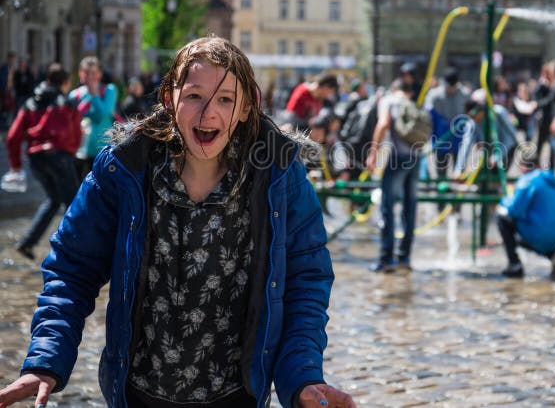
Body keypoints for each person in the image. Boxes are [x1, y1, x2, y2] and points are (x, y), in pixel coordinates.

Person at [0, 37, 355, 408]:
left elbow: (305, 281)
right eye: (194, 97)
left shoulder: (280, 176)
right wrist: (46, 360)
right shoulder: (124, 168)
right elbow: (72, 269)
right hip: (137, 394)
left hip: (237, 396)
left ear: (246, 108)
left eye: (225, 99)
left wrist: (302, 377)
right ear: (169, 99)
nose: (208, 114)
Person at [5, 63, 82, 259]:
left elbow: (13, 136)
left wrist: (15, 164)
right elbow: (74, 134)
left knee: (54, 199)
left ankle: (27, 242)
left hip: (35, 159)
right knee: (75, 204)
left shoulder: (30, 102)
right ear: (65, 82)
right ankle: (72, 250)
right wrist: (70, 153)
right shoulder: (65, 102)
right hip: (60, 156)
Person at [366, 79, 423, 273]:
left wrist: (373, 153)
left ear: (393, 89)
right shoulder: (412, 103)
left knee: (387, 207)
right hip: (416, 158)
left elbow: (383, 125)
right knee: (410, 207)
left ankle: (386, 259)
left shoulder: (388, 101)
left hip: (397, 158)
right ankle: (404, 257)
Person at [496, 144, 555, 281]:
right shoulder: (554, 180)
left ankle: (514, 264)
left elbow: (513, 210)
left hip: (539, 233)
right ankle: (554, 255)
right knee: (538, 229)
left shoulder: (527, 181)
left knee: (502, 218)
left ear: (523, 166)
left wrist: (504, 200)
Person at [68, 56, 119, 177]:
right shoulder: (74, 95)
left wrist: (94, 95)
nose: (90, 77)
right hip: (79, 150)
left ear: (100, 74)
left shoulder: (109, 90)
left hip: (102, 149)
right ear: (80, 73)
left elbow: (103, 115)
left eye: (93, 73)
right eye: (86, 72)